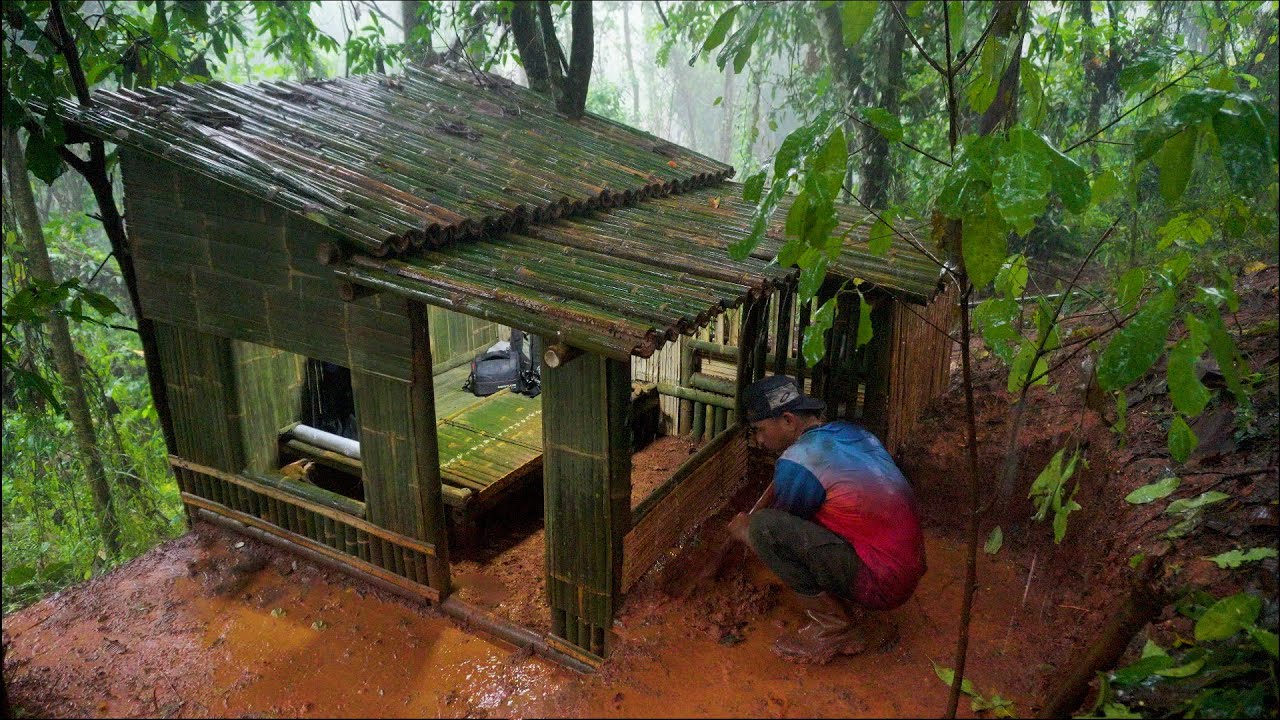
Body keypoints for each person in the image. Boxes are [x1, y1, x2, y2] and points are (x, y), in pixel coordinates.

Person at [726, 374, 926, 664]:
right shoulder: (853, 434)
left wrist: (745, 531)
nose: (758, 440)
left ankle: (834, 627)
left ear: (788, 420)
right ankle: (844, 599)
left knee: (764, 527)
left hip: (884, 582)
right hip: (909, 565)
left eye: (759, 429)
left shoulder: (798, 461)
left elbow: (782, 533)